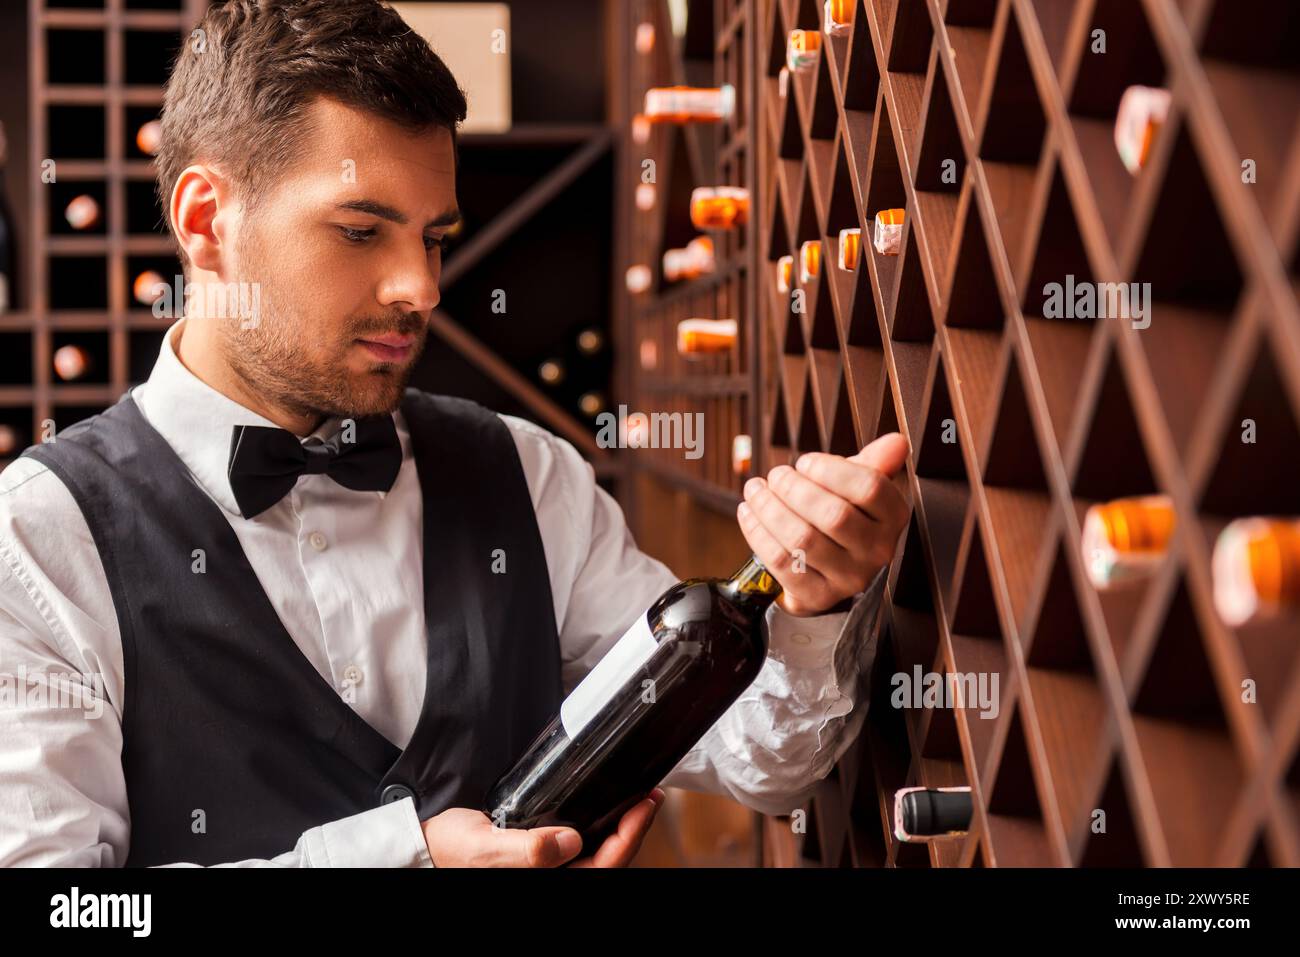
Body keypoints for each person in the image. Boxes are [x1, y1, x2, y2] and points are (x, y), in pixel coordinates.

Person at [0, 0, 909, 867]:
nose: (422, 288)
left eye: (434, 237)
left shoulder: (527, 473)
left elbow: (758, 758)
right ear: (207, 221)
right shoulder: (39, 540)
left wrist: (811, 600)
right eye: (362, 231)